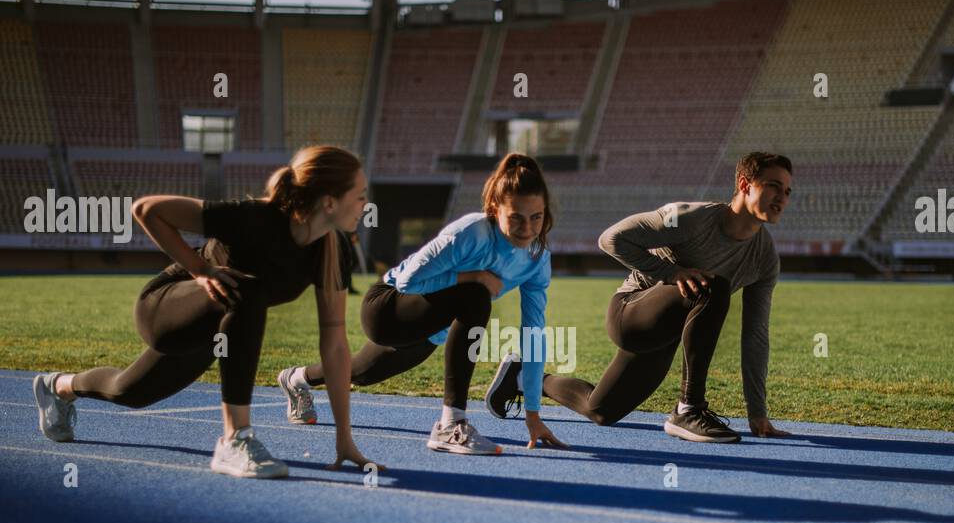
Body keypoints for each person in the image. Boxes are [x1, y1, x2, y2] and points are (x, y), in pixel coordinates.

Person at [31, 145, 383, 477]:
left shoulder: (333, 250)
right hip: (165, 307)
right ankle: (235, 439)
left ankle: (57, 387)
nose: (366, 204)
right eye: (360, 194)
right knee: (248, 290)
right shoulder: (255, 219)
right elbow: (147, 209)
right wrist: (200, 271)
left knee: (132, 391)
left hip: (219, 327)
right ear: (330, 201)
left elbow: (335, 345)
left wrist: (344, 439)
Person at [278, 152, 566, 454]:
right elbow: (408, 282)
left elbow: (533, 333)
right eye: (516, 218)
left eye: (537, 217)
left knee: (362, 373)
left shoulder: (537, 259)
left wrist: (533, 415)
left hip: (429, 329)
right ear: (496, 209)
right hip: (387, 306)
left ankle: (297, 378)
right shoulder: (470, 233)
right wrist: (474, 276)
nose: (528, 228)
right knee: (476, 295)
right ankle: (451, 424)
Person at [509, 152, 793, 443]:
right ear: (745, 184)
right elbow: (611, 238)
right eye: (773, 186)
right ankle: (689, 409)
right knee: (713, 285)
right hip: (629, 313)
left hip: (663, 335)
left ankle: (523, 376)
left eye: (787, 191)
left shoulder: (765, 259)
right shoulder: (688, 218)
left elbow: (755, 335)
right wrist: (671, 273)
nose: (782, 197)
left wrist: (757, 412)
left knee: (601, 409)